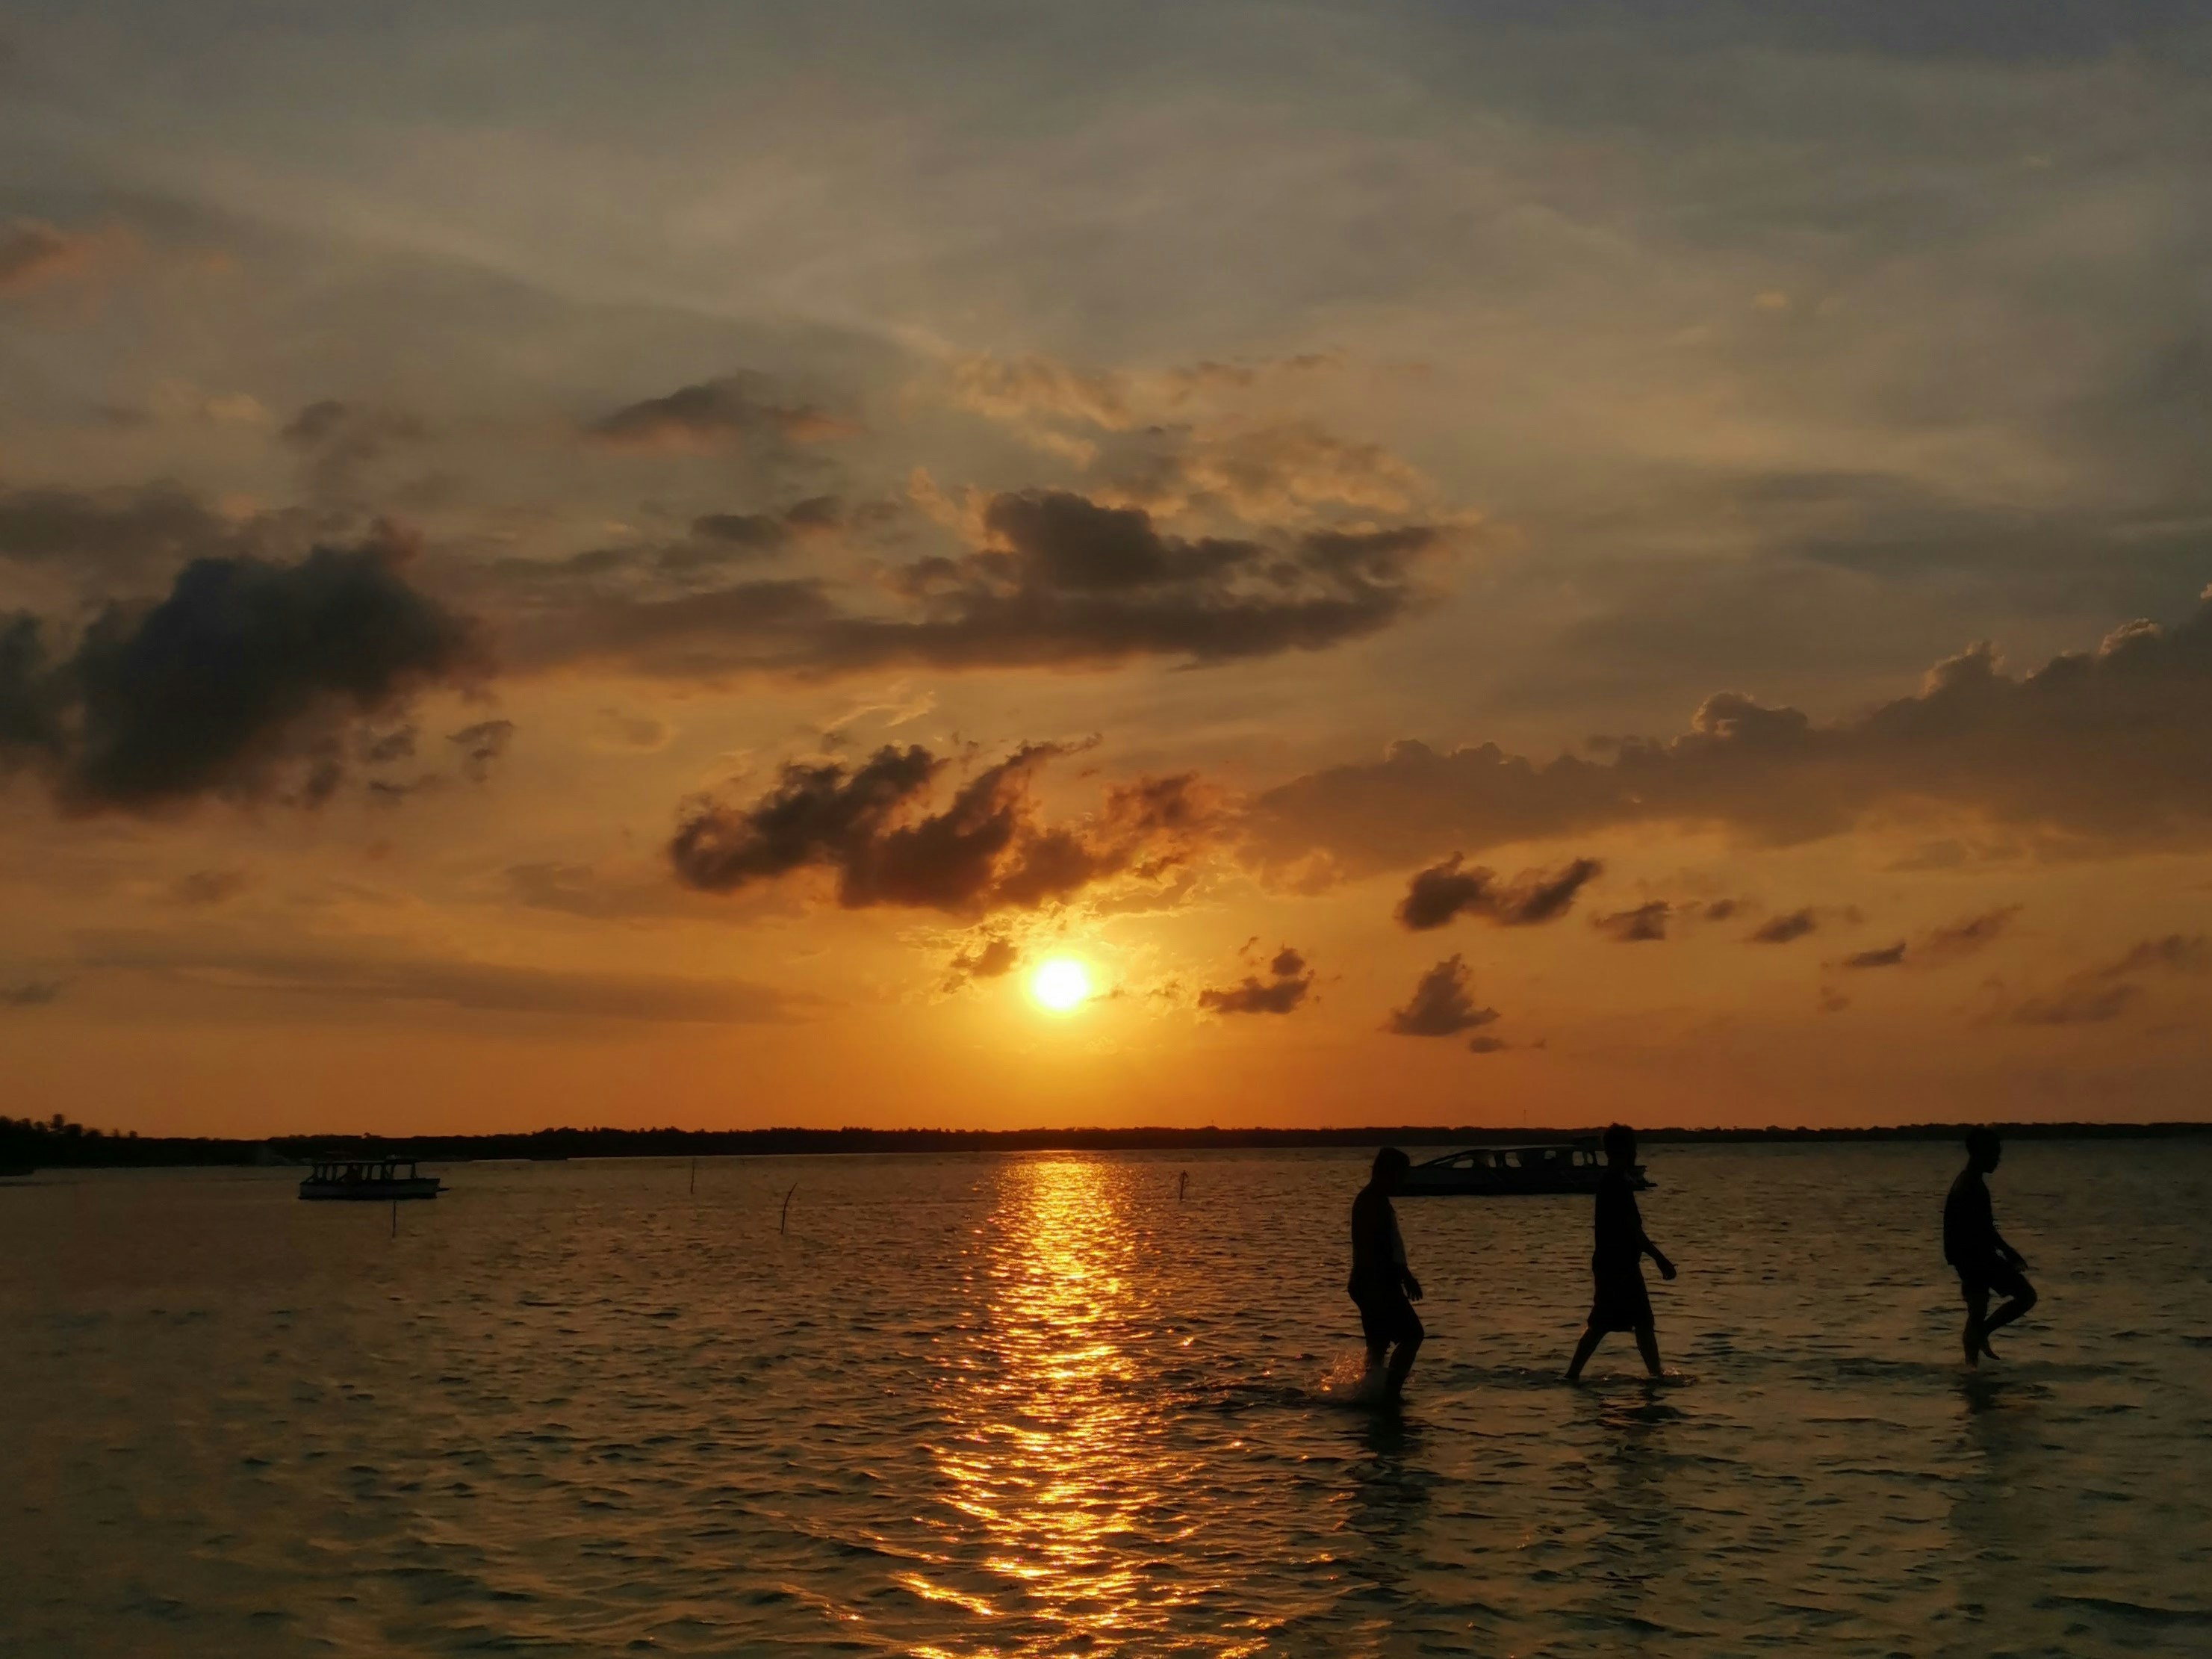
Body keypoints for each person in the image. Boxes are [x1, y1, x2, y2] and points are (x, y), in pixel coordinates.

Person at [1566, 1124, 1677, 1381]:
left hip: (1617, 1264)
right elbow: (1633, 1230)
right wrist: (1661, 1259)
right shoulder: (1615, 1184)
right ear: (1623, 1151)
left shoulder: (1614, 1182)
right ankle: (1655, 1375)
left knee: (1631, 1322)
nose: (1636, 1153)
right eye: (1632, 1148)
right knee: (1609, 1322)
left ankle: (1653, 1374)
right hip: (1617, 1266)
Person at [1945, 1126, 2037, 1365]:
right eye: (1994, 1154)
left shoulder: (1966, 1181)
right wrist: (2009, 1253)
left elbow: (1980, 1228)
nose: (1998, 1159)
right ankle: (1981, 1336)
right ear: (1979, 1154)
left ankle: (1971, 1371)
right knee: (2026, 1296)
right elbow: (1983, 1229)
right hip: (1976, 1258)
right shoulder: (1970, 1186)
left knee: (1976, 1311)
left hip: (1967, 1258)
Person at [1349, 1147, 1424, 1403]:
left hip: (1368, 1282)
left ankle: (1372, 1393)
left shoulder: (1372, 1199)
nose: (1404, 1181)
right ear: (1388, 1173)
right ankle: (1389, 1392)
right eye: (1401, 1175)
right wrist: (1404, 1277)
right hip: (1376, 1283)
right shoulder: (1373, 1202)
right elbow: (1382, 1247)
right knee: (1413, 1335)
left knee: (1378, 1344)